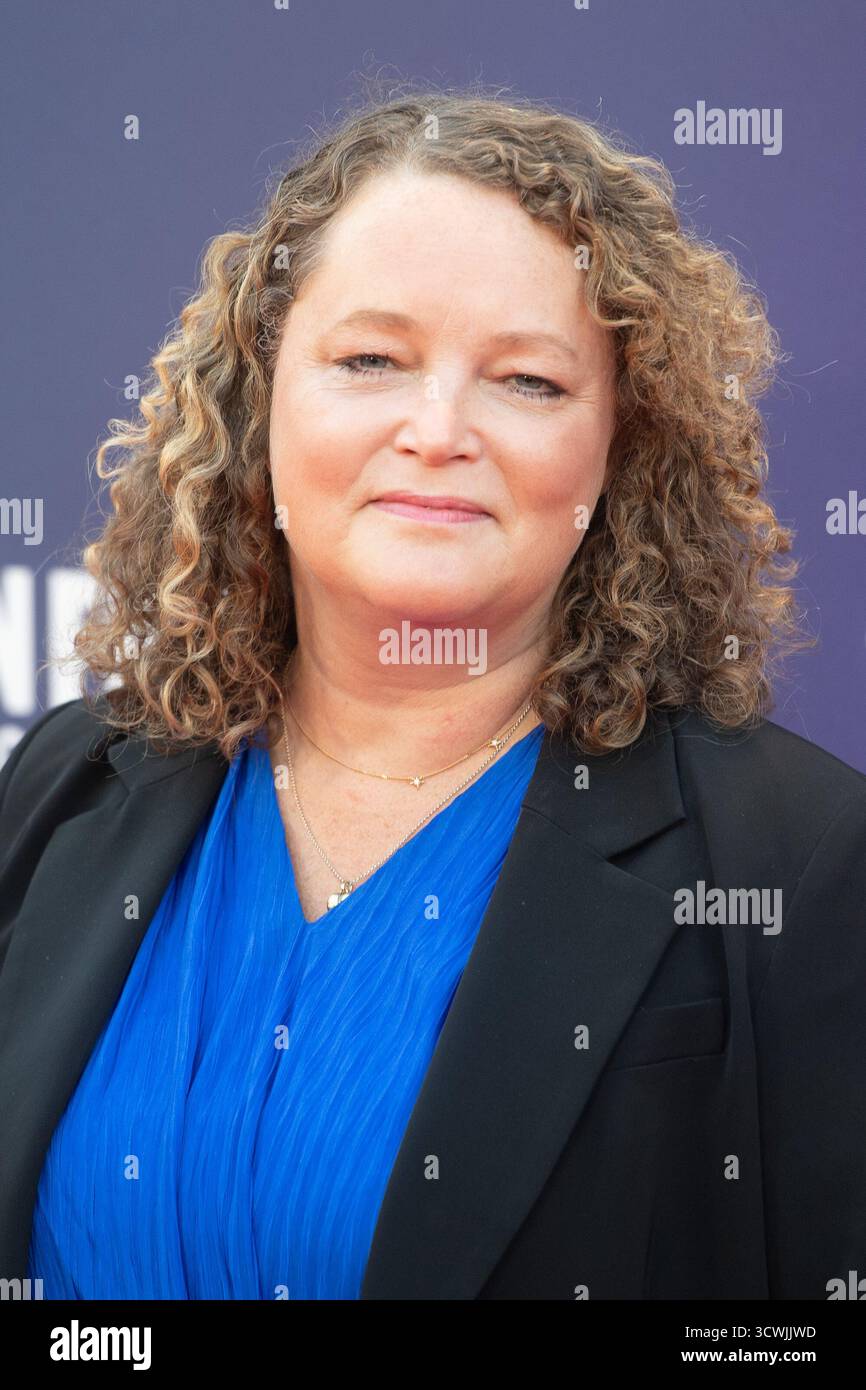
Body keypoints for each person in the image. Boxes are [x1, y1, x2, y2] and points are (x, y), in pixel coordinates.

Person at [1, 87, 864, 1301]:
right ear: (258, 404)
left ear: (621, 447)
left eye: (526, 381)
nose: (437, 427)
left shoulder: (798, 857)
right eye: (370, 359)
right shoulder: (72, 783)